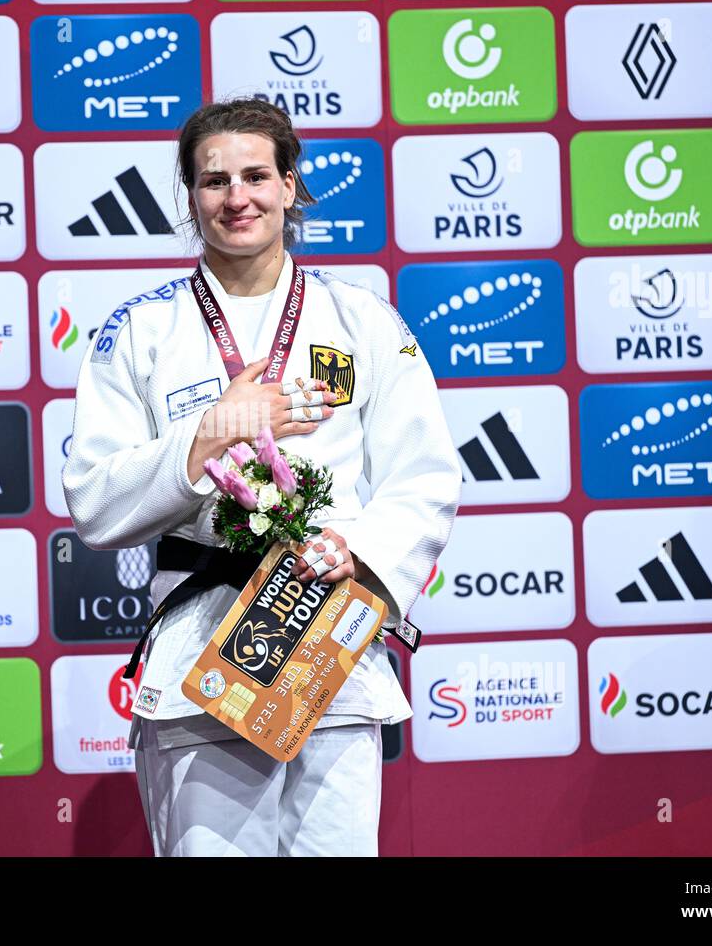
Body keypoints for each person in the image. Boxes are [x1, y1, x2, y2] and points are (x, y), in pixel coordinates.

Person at [63, 99, 460, 856]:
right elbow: (94, 502)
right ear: (190, 196)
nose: (236, 197)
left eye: (254, 176)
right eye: (214, 181)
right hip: (202, 654)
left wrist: (358, 549)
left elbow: (427, 474)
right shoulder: (142, 331)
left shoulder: (361, 319)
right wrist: (212, 431)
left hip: (330, 642)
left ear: (289, 184)